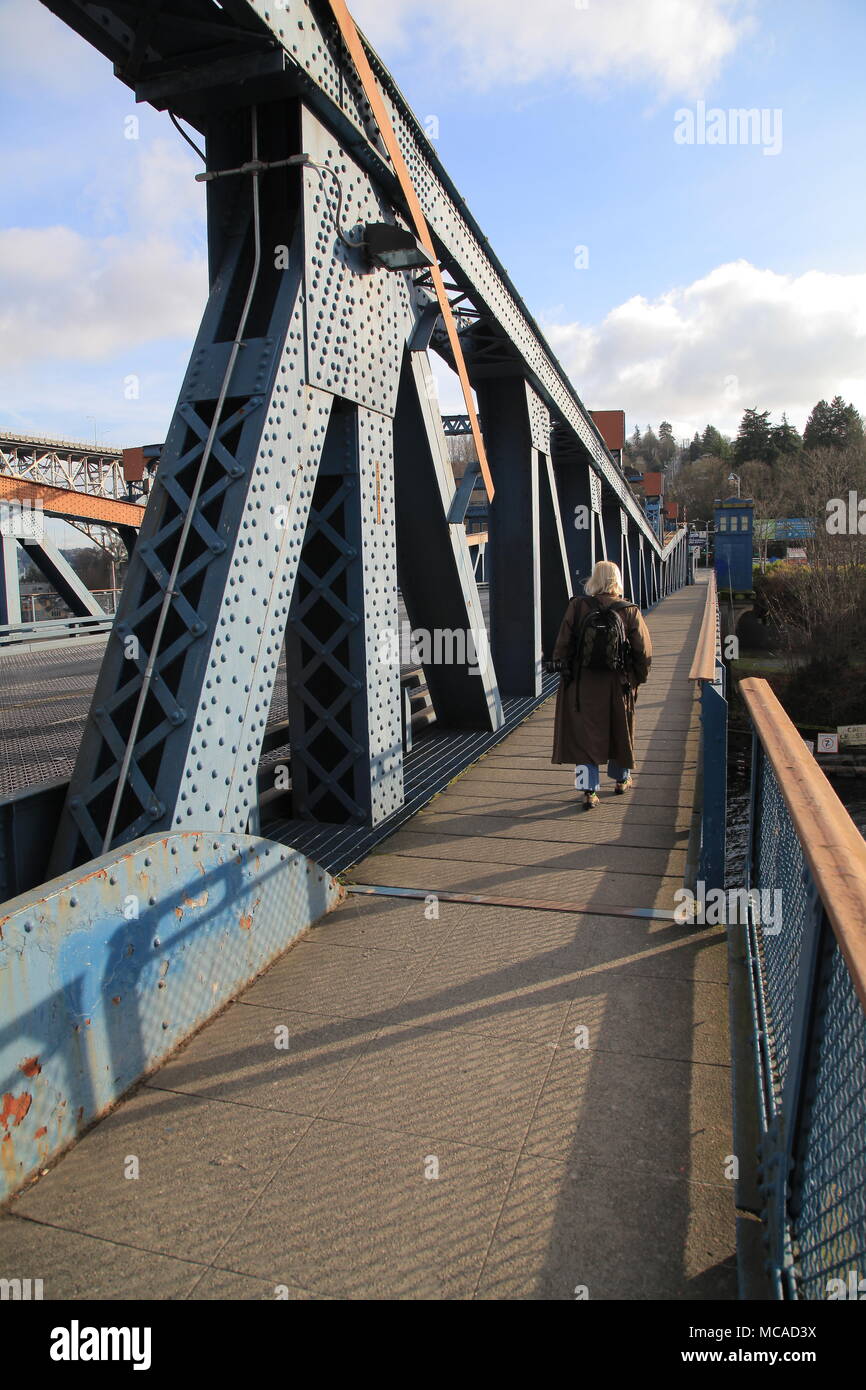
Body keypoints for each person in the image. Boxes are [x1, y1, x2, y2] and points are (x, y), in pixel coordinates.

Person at [549, 560, 652, 810]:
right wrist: (635, 678)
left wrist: (566, 672)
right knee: (620, 729)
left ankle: (588, 790)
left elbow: (562, 645)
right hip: (617, 683)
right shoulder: (629, 610)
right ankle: (621, 779)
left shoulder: (578, 606)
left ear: (593, 579)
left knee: (584, 736)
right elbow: (644, 652)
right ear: (617, 580)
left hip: (583, 684)